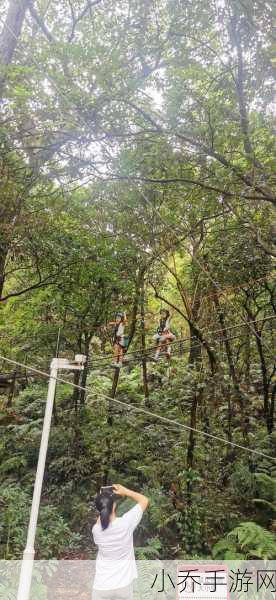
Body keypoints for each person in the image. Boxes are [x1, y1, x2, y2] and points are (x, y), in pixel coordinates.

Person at [92, 484, 149, 599]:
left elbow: (102, 516)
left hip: (102, 586)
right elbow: (144, 500)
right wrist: (125, 491)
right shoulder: (125, 524)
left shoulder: (96, 531)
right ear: (114, 506)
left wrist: (102, 498)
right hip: (123, 585)